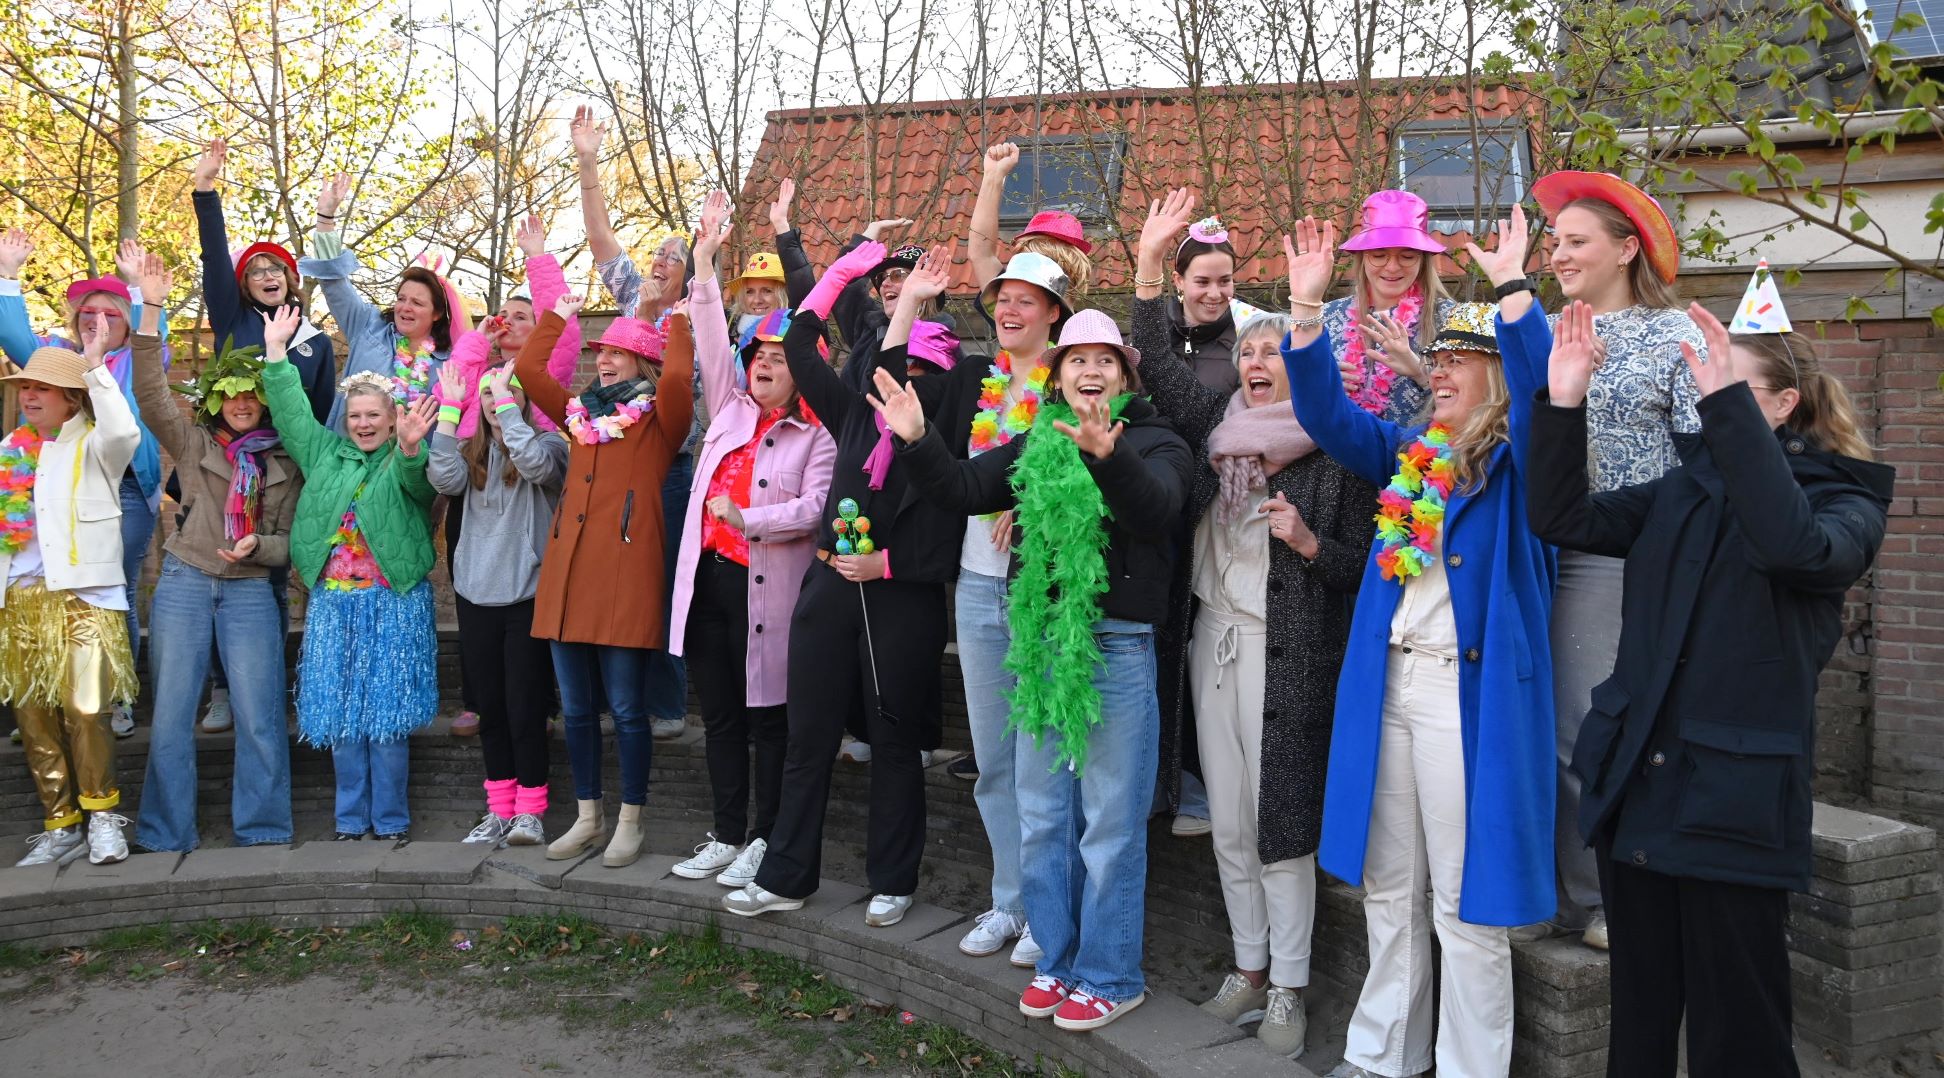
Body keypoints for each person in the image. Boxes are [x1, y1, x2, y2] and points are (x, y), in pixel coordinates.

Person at [1527, 297, 1891, 1077]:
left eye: (1724, 387)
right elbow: (1562, 519)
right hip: (1643, 791)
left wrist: (1724, 412)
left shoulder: (1846, 500)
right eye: (1700, 388)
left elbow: (1794, 546)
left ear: (1785, 405)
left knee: (1741, 1035)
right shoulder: (1681, 490)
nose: (1703, 404)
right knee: (1642, 1026)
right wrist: (1564, 403)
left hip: (1735, 805)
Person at [1282, 212, 1557, 1078]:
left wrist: (1513, 290)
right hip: (1391, 687)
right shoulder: (1414, 454)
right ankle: (1382, 1057)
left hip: (1463, 701)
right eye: (1433, 361)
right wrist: (1302, 310)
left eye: (1455, 363)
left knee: (1469, 902)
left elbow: (1545, 389)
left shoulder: (1523, 464)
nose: (1435, 372)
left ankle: (1473, 1067)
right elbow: (1328, 417)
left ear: (1495, 379)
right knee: (1390, 890)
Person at [871, 304, 1192, 1032]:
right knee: (1045, 817)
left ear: (1124, 375)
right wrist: (918, 438)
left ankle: (1113, 976)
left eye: (1103, 361)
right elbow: (959, 489)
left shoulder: (1159, 443)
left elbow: (1156, 513)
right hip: (1042, 648)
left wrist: (1110, 456)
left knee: (1109, 823)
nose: (1089, 371)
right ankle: (1058, 959)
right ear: (1057, 378)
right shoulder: (1033, 444)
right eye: (1075, 360)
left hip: (1114, 651)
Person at [1133, 189, 1378, 1059]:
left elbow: (1366, 570)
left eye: (1275, 351)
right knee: (1229, 821)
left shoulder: (1337, 451)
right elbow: (1159, 363)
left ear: (1303, 366)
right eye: (1249, 352)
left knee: (1281, 826)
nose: (1258, 362)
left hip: (1293, 655)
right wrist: (1147, 270)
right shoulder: (1219, 433)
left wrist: (1311, 543)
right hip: (1216, 641)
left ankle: (1293, 986)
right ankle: (1248, 966)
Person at [721, 249, 962, 929]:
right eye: (896, 370)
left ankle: (894, 878)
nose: (902, 382)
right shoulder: (853, 413)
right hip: (828, 587)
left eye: (919, 372)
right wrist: (855, 259)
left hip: (901, 597)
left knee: (893, 742)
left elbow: (949, 513)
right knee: (808, 735)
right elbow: (800, 337)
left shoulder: (935, 436)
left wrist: (888, 565)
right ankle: (787, 874)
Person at [1512, 170, 1704, 951]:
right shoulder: (1550, 330)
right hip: (1533, 551)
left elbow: (1709, 458)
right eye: (1553, 243)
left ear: (1627, 250)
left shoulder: (1678, 336)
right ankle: (1560, 888)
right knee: (1540, 727)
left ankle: (1600, 900)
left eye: (1575, 242)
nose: (1557, 255)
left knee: (1582, 729)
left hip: (1614, 556)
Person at [884, 248, 1071, 966]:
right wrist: (911, 302)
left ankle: (1046, 910)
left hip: (1041, 593)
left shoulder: (1072, 381)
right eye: (1003, 299)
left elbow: (1092, 472)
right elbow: (897, 387)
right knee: (993, 764)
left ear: (1053, 311)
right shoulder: (971, 378)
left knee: (1043, 764)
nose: (1011, 311)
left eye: (1028, 300)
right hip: (974, 582)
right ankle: (1009, 902)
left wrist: (1029, 500)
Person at [666, 204, 836, 888]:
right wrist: (704, 260)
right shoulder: (731, 407)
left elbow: (816, 508)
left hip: (767, 591)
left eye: (779, 358)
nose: (764, 365)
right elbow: (708, 328)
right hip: (708, 583)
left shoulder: (818, 433)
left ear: (803, 371)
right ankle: (728, 833)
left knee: (771, 720)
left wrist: (748, 517)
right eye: (757, 355)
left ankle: (765, 839)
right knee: (723, 717)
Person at [517, 273, 695, 869]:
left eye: (619, 352)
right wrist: (558, 316)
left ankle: (631, 820)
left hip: (623, 579)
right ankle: (588, 816)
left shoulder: (659, 419)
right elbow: (529, 373)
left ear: (642, 360)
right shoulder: (578, 414)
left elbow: (675, 379)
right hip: (567, 580)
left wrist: (678, 321)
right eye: (603, 351)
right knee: (574, 710)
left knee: (625, 709)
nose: (607, 359)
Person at [129, 255, 299, 854]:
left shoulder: (282, 463)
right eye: (232, 396)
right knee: (172, 713)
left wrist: (264, 545)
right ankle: (165, 830)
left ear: (265, 403)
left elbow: (293, 543)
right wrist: (150, 309)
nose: (243, 405)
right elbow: (150, 395)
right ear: (217, 400)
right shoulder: (193, 440)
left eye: (253, 397)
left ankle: (264, 828)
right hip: (183, 581)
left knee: (258, 716)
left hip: (251, 589)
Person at [265, 326, 441, 844]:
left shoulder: (403, 456)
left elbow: (419, 487)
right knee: (339, 713)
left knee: (385, 717)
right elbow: (293, 413)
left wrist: (411, 450)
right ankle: (348, 821)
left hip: (392, 603)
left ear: (392, 420)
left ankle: (389, 821)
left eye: (374, 416)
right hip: (333, 605)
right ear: (346, 422)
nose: (363, 424)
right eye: (355, 416)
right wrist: (277, 354)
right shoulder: (325, 455)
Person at [189, 136, 334, 735]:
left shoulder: (316, 341)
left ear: (292, 280)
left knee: (273, 577)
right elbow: (215, 259)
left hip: (284, 470)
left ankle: (270, 687)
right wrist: (206, 192)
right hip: (225, 466)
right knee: (220, 570)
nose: (267, 276)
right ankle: (223, 688)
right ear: (246, 287)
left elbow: (322, 412)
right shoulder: (234, 320)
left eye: (277, 268)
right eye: (257, 272)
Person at [0, 232, 166, 739]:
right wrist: (8, 275)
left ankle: (115, 696)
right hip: (65, 491)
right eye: (87, 313)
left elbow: (148, 341)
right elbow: (13, 339)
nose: (97, 321)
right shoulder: (59, 363)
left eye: (111, 314)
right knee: (50, 589)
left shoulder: (137, 359)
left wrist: (141, 292)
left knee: (113, 587)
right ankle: (48, 696)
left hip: (129, 489)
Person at [571, 105, 694, 742]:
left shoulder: (696, 321)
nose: (659, 261)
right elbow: (599, 240)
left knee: (664, 574)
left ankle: (666, 704)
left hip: (671, 468)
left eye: (674, 258)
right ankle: (614, 697)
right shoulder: (628, 304)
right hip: (615, 463)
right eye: (656, 254)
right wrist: (590, 163)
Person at [437, 213, 581, 739]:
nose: (509, 323)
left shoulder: (542, 371)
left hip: (530, 480)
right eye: (503, 316)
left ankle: (538, 701)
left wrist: (539, 258)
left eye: (521, 316)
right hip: (474, 480)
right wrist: (478, 336)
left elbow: (560, 333)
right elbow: (452, 382)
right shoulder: (480, 366)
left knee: (527, 605)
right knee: (473, 594)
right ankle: (480, 698)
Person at [1, 336, 141, 865]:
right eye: (26, 387)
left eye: (43, 388)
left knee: (86, 710)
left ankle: (104, 818)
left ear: (71, 398)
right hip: (19, 603)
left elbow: (125, 429)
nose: (30, 395)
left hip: (83, 599)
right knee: (33, 718)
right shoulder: (8, 451)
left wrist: (96, 369)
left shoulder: (95, 445)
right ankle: (61, 825)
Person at [429, 353, 569, 848]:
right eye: (487, 392)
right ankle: (499, 807)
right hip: (475, 593)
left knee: (525, 705)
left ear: (524, 399)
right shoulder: (470, 453)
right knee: (490, 706)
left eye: (507, 391)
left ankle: (530, 810)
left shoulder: (548, 444)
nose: (495, 401)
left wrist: (509, 405)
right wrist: (449, 410)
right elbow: (442, 478)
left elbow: (533, 464)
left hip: (526, 594)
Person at [300, 173, 461, 430]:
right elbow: (333, 282)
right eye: (401, 299)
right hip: (350, 461)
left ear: (437, 313)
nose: (405, 307)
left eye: (417, 303)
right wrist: (325, 218)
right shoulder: (368, 328)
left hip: (414, 466)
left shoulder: (451, 363)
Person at [1323, 190, 1455, 422]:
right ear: (1362, 257)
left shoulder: (1450, 319)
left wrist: (1420, 373)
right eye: (1379, 255)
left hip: (1421, 454)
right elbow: (1292, 395)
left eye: (1407, 256)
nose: (1392, 267)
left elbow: (1474, 407)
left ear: (1423, 261)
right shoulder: (1326, 317)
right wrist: (1320, 385)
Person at [1136, 213, 1238, 393]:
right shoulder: (1148, 337)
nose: (1214, 294)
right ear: (1179, 281)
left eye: (1224, 281)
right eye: (1202, 282)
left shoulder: (1251, 342)